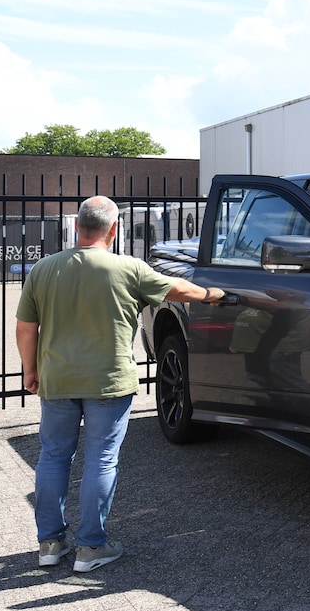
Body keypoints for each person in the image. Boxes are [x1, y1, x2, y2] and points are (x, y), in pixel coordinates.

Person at [15, 196, 224, 573]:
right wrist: (214, 294)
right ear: (114, 229)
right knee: (101, 459)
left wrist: (30, 370)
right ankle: (91, 547)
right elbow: (179, 290)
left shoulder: (44, 269)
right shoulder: (129, 269)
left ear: (78, 227)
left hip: (57, 379)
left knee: (54, 457)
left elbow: (26, 328)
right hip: (109, 382)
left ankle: (49, 544)